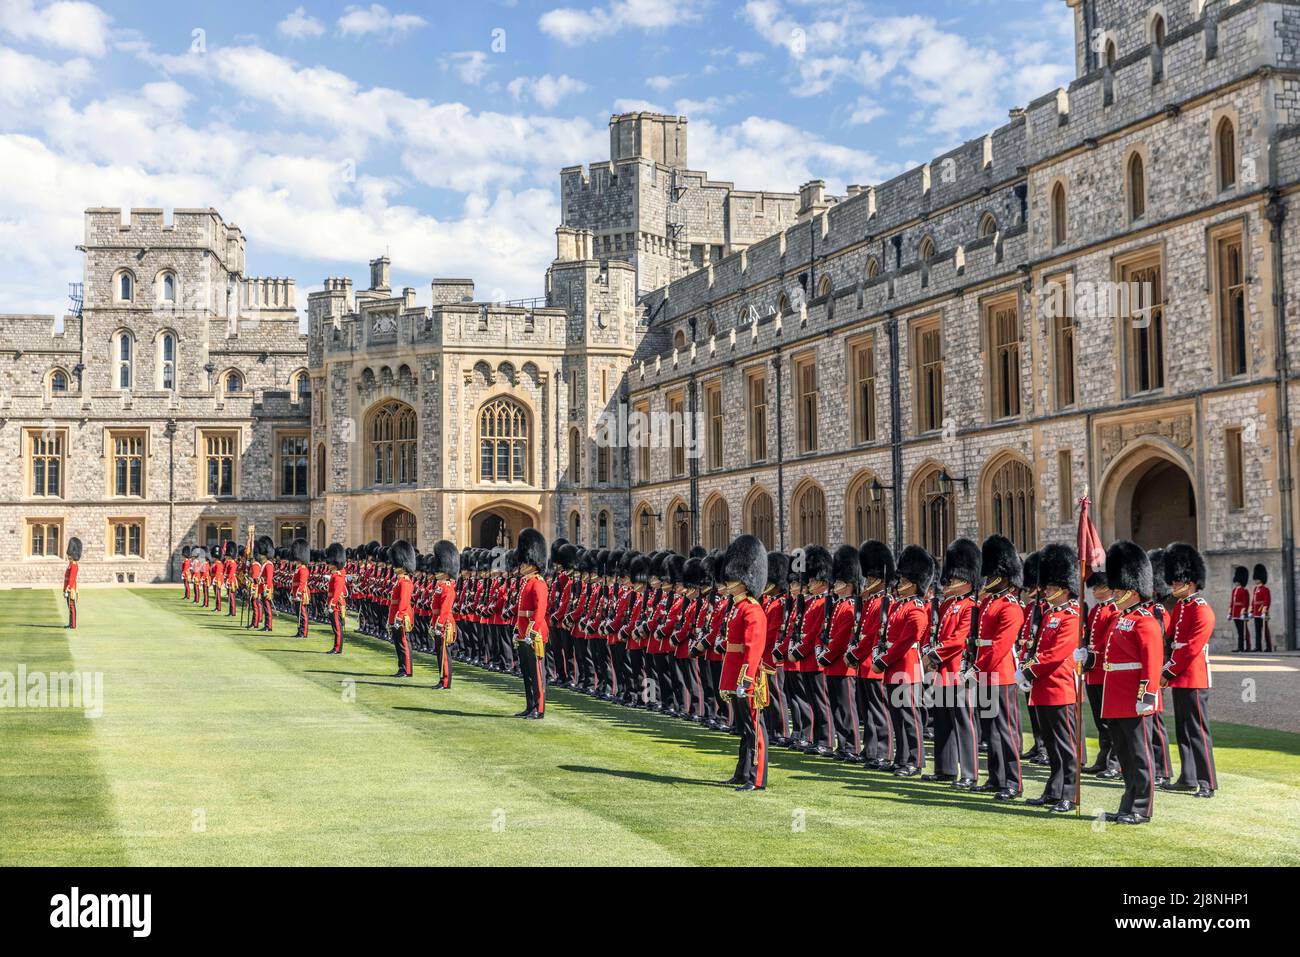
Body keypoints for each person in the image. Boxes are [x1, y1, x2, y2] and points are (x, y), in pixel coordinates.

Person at [1095, 540, 1164, 825]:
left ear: (1132, 590)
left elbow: (1152, 661)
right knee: (1124, 755)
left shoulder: (1145, 621)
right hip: (1116, 695)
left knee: (1139, 754)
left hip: (1134, 697)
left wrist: (1147, 694)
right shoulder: (1120, 619)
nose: (1115, 593)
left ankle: (1141, 807)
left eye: (1119, 589)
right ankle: (1127, 804)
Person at [1018, 543, 1081, 813]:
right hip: (1043, 687)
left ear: (1064, 588)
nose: (1046, 591)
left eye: (1051, 587)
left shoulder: (1071, 616)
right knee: (1053, 747)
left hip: (1060, 687)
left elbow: (1055, 654)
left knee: (1066, 747)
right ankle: (1054, 791)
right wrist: (1028, 667)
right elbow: (1040, 649)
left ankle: (1070, 793)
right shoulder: (1050, 614)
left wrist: (1028, 670)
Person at [968, 535, 1026, 800]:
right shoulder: (988, 602)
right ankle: (996, 777)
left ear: (1003, 575)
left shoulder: (1010, 607)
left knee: (1006, 731)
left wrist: (977, 669)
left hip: (1000, 675)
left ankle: (1013, 782)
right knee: (990, 730)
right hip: (985, 674)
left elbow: (1000, 645)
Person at [1160, 542, 1217, 798]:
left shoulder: (1202, 610)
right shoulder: (1182, 607)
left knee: (1198, 731)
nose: (1172, 587)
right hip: (1180, 677)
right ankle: (1188, 776)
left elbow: (1190, 648)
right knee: (1183, 730)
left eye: (1176, 582)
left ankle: (1207, 781)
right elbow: (1171, 639)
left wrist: (1168, 671)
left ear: (1190, 582)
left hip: (1193, 677)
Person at [873, 544, 934, 778]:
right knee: (897, 716)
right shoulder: (900, 606)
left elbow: (906, 641)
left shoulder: (916, 609)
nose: (899, 584)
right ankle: (901, 758)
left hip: (906, 668)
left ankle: (915, 761)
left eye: (904, 580)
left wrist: (884, 660)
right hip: (895, 667)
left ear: (914, 583)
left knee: (909, 717)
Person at [924, 538, 980, 787]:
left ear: (966, 581)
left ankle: (969, 772)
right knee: (943, 722)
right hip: (940, 672)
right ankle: (945, 768)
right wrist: (931, 654)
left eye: (954, 579)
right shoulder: (947, 605)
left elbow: (959, 640)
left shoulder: (971, 606)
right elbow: (935, 633)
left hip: (958, 671)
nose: (949, 583)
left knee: (963, 722)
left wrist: (934, 655)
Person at [719, 534, 770, 791]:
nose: (728, 583)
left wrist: (746, 679)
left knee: (754, 729)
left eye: (733, 578)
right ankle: (742, 772)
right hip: (736, 675)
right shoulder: (738, 608)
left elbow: (753, 649)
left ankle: (757, 778)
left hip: (746, 679)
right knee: (744, 729)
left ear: (745, 580)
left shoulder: (752, 610)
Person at [848, 541, 894, 770]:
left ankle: (883, 752)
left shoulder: (884, 603)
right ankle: (871, 749)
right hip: (863, 664)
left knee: (878, 710)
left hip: (873, 664)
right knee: (867, 712)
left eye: (872, 577)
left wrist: (856, 652)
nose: (868, 582)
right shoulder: (870, 603)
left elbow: (873, 636)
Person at [820, 544, 862, 761]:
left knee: (847, 710)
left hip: (843, 665)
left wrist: (826, 655)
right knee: (838, 708)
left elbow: (842, 639)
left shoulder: (848, 607)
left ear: (848, 585)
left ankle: (852, 745)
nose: (834, 585)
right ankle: (843, 744)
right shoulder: (839, 605)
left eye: (838, 582)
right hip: (833, 665)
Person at [1080, 572, 1121, 778]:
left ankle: (1114, 762)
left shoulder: (1114, 609)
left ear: (1108, 588)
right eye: (1094, 587)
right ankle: (1102, 759)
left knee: (1110, 720)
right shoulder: (1095, 609)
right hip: (1092, 672)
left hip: (1104, 670)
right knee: (1100, 720)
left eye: (1098, 587)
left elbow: (1108, 642)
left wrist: (1091, 658)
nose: (1095, 591)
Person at [513, 528, 549, 719]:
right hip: (523, 633)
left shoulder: (538, 583)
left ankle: (539, 708)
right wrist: (517, 630)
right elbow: (520, 611)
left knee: (537, 674)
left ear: (532, 562)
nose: (521, 565)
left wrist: (531, 631)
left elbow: (540, 611)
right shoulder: (526, 583)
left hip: (534, 634)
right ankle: (530, 705)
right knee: (526, 673)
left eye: (525, 562)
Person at [430, 540, 460, 689]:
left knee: (445, 655)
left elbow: (445, 610)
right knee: (439, 654)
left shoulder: (448, 588)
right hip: (438, 622)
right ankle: (441, 679)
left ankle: (446, 681)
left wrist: (439, 624)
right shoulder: (440, 586)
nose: (436, 572)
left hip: (444, 624)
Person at [388, 540, 416, 678]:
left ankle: (407, 669)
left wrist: (399, 617)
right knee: (398, 643)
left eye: (397, 564)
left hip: (402, 615)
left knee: (404, 642)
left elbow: (403, 602)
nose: (394, 567)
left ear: (403, 566)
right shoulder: (399, 580)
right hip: (396, 615)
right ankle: (402, 667)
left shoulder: (405, 581)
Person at [324, 543, 347, 654]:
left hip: (336, 604)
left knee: (337, 627)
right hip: (333, 603)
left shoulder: (338, 575)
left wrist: (332, 604)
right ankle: (336, 647)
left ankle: (337, 648)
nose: (328, 565)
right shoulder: (336, 573)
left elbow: (337, 592)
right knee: (335, 627)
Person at [1251, 564, 1273, 652]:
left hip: (1262, 611)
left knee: (1265, 630)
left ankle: (1268, 647)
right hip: (1256, 612)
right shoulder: (1255, 589)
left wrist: (1265, 610)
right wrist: (1251, 610)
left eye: (1257, 578)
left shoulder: (1265, 589)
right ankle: (1258, 647)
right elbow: (1253, 601)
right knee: (1257, 631)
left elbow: (1267, 601)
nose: (1256, 580)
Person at [292, 539, 311, 637]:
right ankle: (300, 631)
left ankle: (304, 632)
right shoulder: (298, 569)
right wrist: (293, 592)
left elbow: (302, 583)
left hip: (302, 593)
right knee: (298, 614)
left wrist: (298, 593)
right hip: (297, 593)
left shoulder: (303, 569)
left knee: (302, 614)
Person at [1229, 566, 1250, 652]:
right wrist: (1230, 612)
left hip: (1241, 612)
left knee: (1243, 631)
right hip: (1235, 612)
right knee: (1239, 631)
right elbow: (1232, 602)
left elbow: (1246, 602)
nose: (1236, 582)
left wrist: (1244, 610)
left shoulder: (1244, 591)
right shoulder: (1234, 590)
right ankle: (1239, 647)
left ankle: (1246, 647)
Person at [64, 536, 81, 629]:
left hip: (71, 588)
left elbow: (72, 578)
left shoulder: (74, 565)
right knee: (70, 607)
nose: (68, 556)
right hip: (69, 587)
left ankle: (73, 625)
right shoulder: (71, 564)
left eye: (69, 554)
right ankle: (70, 623)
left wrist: (69, 587)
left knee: (72, 607)